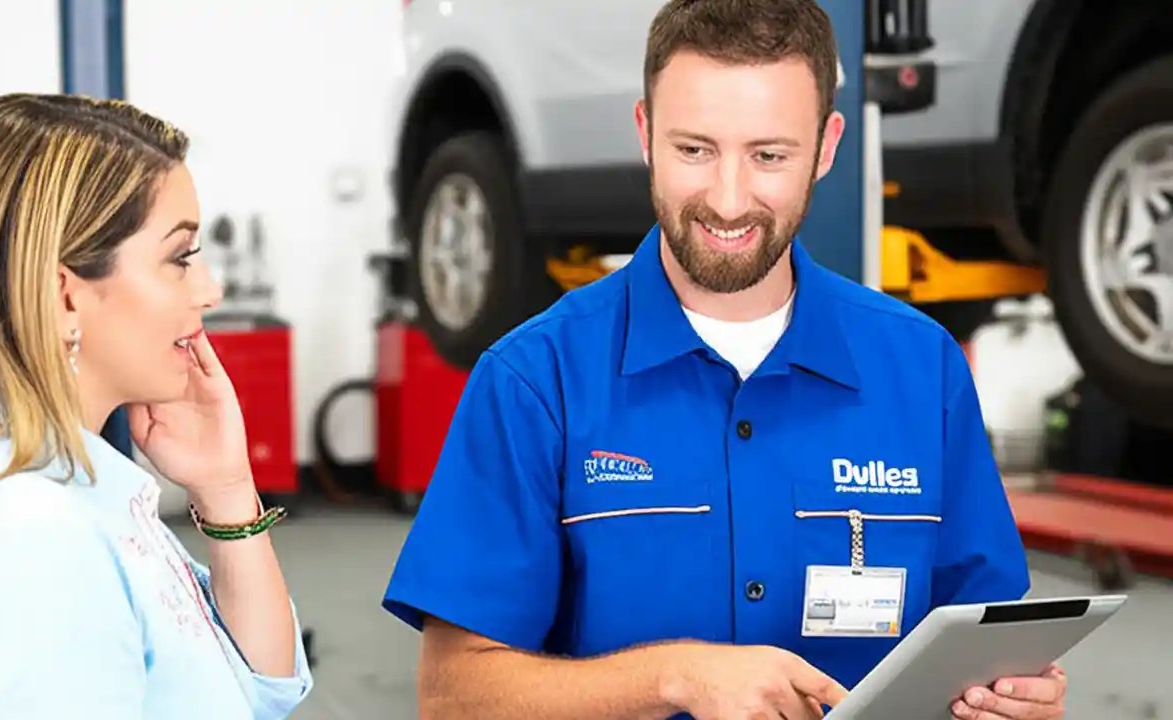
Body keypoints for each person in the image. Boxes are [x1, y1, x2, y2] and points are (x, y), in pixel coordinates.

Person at [381, 1, 1068, 718]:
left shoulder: (923, 371)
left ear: (827, 147)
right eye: (694, 150)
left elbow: (980, 642)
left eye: (769, 155)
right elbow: (453, 696)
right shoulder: (534, 381)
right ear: (645, 133)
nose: (729, 200)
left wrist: (1012, 699)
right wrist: (673, 678)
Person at [0, 93, 313, 719]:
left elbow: (258, 689)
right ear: (65, 297)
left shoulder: (62, 484)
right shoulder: (28, 534)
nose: (211, 290)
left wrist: (226, 489)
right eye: (180, 258)